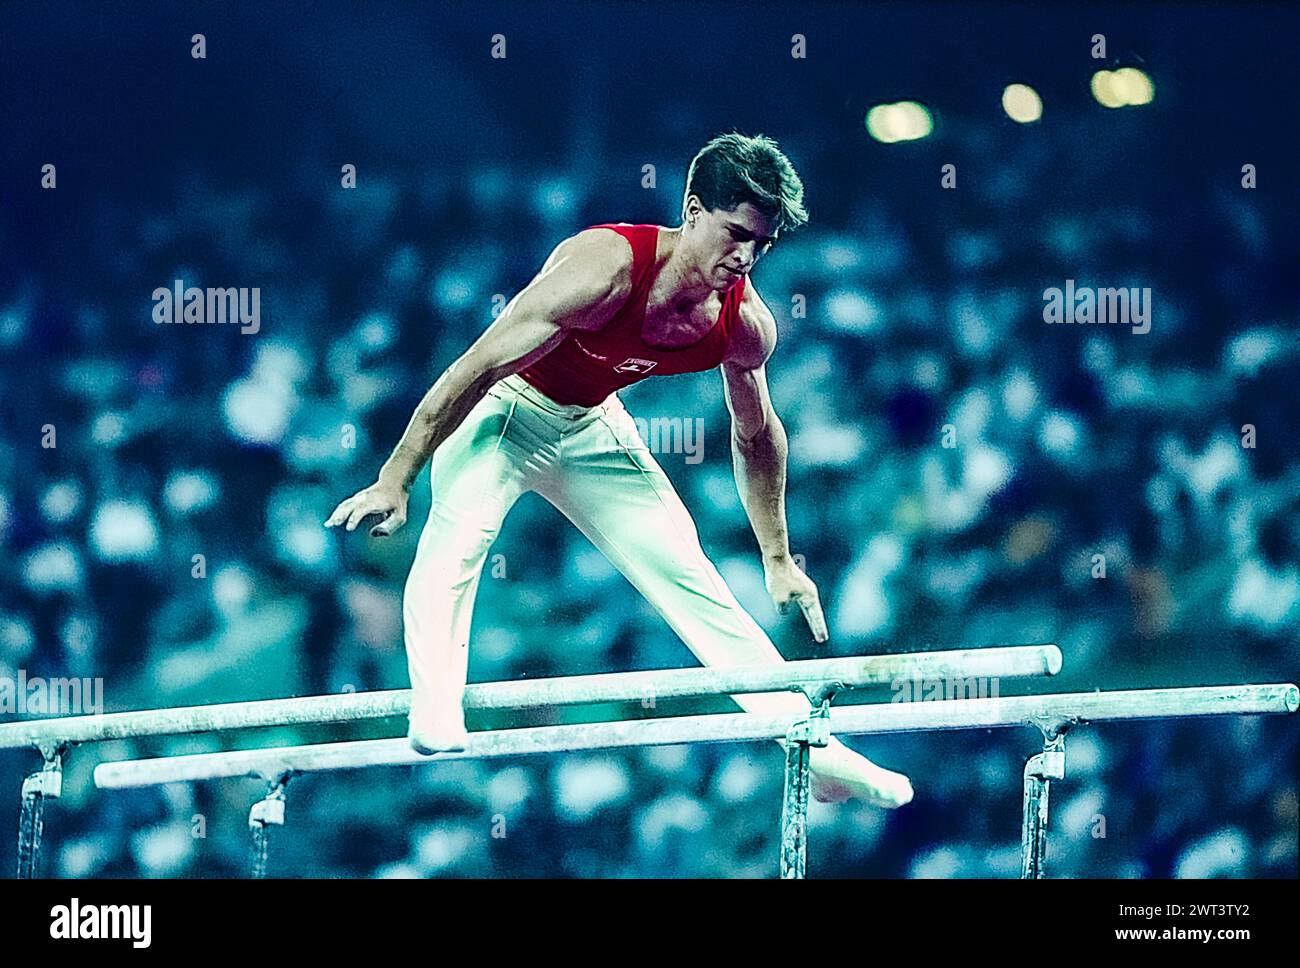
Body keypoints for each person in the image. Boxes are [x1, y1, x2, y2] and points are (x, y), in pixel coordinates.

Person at [326, 132, 912, 808]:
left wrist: (777, 557)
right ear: (693, 209)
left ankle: (816, 751)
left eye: (762, 244)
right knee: (456, 545)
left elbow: (756, 433)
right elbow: (476, 365)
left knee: (695, 581)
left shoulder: (744, 322)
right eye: (734, 233)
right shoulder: (605, 266)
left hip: (593, 426)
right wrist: (397, 476)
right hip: (507, 415)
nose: (745, 256)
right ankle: (434, 709)